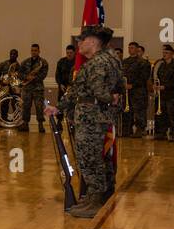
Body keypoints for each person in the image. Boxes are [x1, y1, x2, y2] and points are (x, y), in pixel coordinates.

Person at [45, 25, 122, 219]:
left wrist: (108, 97)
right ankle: (100, 197)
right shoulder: (111, 59)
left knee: (90, 158)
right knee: (101, 158)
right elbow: (115, 87)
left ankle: (95, 202)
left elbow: (98, 91)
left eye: (82, 39)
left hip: (91, 118)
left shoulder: (97, 63)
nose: (78, 43)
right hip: (100, 117)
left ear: (94, 41)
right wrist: (59, 108)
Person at [153, 44, 174, 141]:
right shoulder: (160, 63)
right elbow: (154, 75)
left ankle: (173, 133)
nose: (164, 54)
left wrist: (165, 86)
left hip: (171, 94)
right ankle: (161, 133)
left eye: (166, 53)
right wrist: (155, 85)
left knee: (172, 114)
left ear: (172, 54)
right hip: (160, 95)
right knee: (160, 114)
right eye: (163, 53)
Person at [122, 42, 152, 138]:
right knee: (127, 111)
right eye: (129, 48)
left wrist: (133, 85)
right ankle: (127, 129)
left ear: (137, 49)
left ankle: (140, 129)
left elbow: (144, 77)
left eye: (132, 48)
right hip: (127, 91)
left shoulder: (143, 62)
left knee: (139, 112)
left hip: (138, 91)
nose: (130, 49)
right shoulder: (124, 62)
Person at [17, 43, 49, 132]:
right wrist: (26, 77)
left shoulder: (43, 62)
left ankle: (40, 125)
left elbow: (43, 74)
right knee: (26, 106)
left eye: (35, 50)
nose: (33, 52)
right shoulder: (25, 62)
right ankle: (25, 124)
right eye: (32, 50)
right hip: (27, 88)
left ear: (39, 51)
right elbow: (19, 73)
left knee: (39, 107)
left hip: (38, 89)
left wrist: (34, 78)